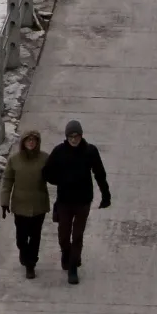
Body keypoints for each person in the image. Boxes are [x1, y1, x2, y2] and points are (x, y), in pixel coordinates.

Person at [42, 120, 112, 284]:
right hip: (65, 201)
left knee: (78, 235)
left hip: (83, 201)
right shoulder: (59, 151)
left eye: (77, 136)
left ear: (81, 135)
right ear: (66, 137)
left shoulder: (90, 151)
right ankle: (66, 253)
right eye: (71, 136)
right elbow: (46, 172)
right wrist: (60, 180)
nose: (74, 139)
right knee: (63, 236)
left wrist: (106, 195)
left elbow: (99, 173)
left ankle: (73, 267)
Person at [0, 129, 50, 279]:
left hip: (39, 205)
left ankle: (30, 264)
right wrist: (4, 201)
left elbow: (55, 175)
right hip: (20, 205)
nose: (31, 143)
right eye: (28, 140)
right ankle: (24, 252)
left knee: (35, 236)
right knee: (21, 237)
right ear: (23, 142)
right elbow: (7, 181)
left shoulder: (45, 159)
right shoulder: (14, 160)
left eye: (34, 140)